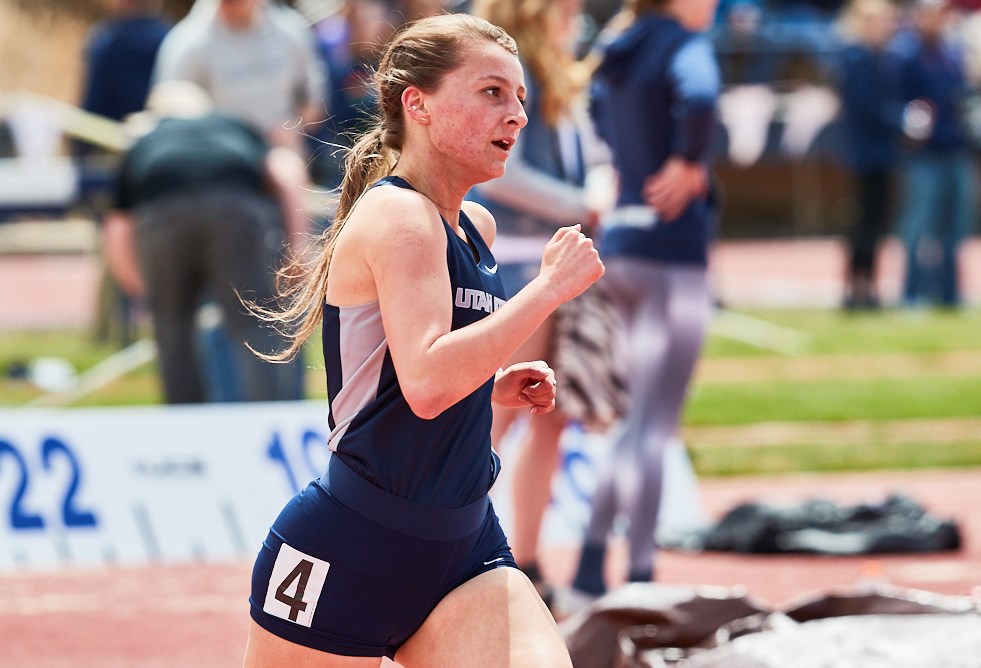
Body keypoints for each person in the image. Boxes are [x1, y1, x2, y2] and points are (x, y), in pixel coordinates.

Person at [242, 13, 603, 666]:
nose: (516, 115)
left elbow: (408, 373)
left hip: (462, 549)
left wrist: (490, 385)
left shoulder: (474, 226)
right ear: (419, 105)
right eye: (491, 92)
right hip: (352, 550)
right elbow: (430, 383)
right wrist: (546, 290)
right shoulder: (397, 216)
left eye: (519, 98)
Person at [566, 0, 721, 601]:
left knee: (633, 424)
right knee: (654, 428)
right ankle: (640, 575)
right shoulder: (685, 45)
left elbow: (600, 124)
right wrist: (688, 160)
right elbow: (702, 98)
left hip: (623, 245)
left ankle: (587, 566)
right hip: (670, 253)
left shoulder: (617, 48)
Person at [469, 0, 606, 608]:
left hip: (561, 259)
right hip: (520, 262)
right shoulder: (507, 78)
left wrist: (597, 188)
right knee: (494, 416)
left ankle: (525, 561)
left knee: (551, 417)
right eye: (566, 7)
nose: (576, 16)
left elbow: (594, 159)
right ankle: (456, 556)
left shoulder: (563, 76)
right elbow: (506, 175)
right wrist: (586, 203)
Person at [101, 81, 305, 404]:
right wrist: (297, 249)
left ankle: (188, 429)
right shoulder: (233, 125)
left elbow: (117, 227)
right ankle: (271, 417)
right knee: (258, 324)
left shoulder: (146, 140)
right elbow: (286, 172)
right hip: (236, 209)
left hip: (163, 214)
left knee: (173, 332)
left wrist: (141, 288)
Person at [894, 0, 978, 308]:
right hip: (925, 155)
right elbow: (902, 102)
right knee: (919, 225)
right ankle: (912, 293)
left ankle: (949, 293)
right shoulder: (907, 55)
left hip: (955, 150)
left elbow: (963, 98)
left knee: (955, 226)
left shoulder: (953, 54)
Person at [835, 0, 903, 310]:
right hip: (865, 153)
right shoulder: (856, 57)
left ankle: (868, 286)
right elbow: (866, 106)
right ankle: (855, 288)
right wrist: (899, 120)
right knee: (863, 222)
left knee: (876, 222)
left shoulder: (880, 57)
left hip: (880, 152)